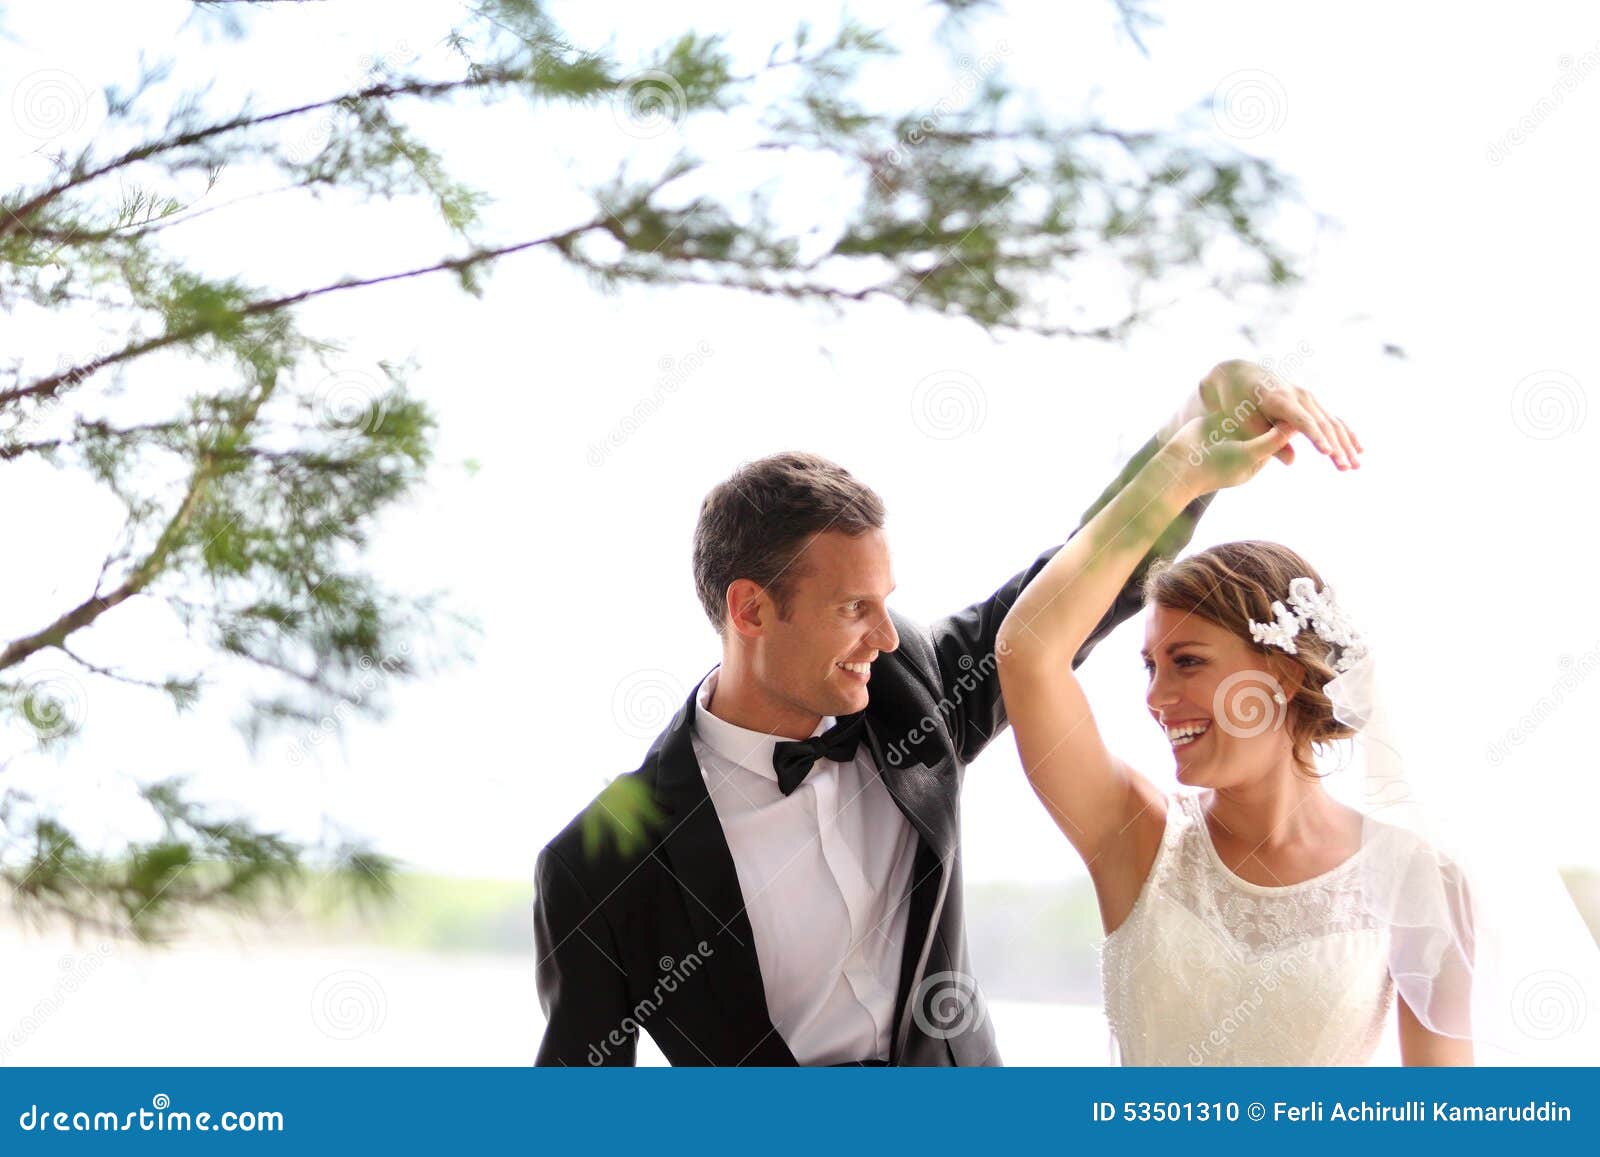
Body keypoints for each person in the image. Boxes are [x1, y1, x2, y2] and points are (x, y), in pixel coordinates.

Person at [534, 361, 1357, 1065]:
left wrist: (1195, 433)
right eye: (855, 607)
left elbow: (1070, 588)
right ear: (750, 610)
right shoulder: (597, 867)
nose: (886, 634)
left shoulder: (912, 693)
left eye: (886, 602)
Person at [993, 412, 1505, 1064]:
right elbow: (1025, 652)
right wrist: (1178, 476)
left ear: (1284, 673)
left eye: (1187, 661)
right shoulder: (1134, 834)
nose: (1154, 697)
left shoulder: (1418, 879)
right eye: (1150, 666)